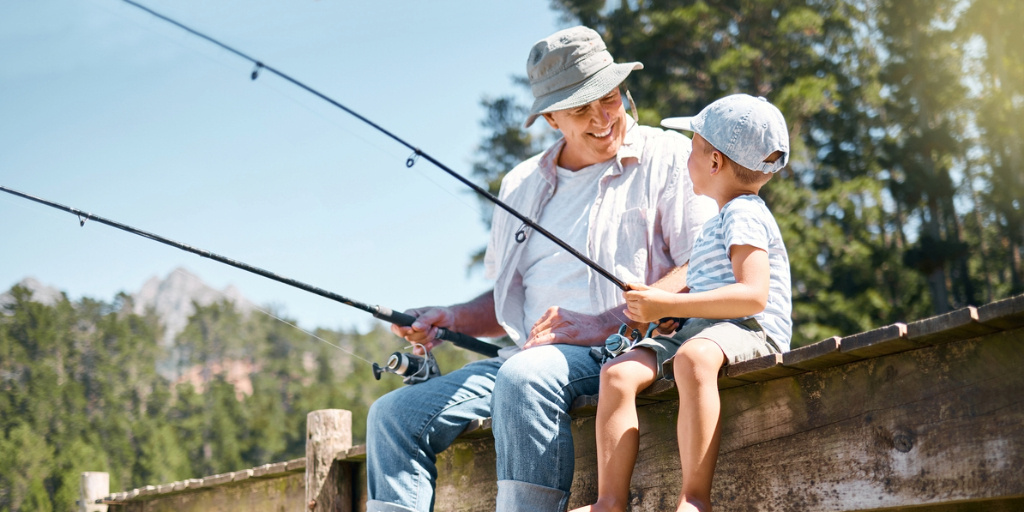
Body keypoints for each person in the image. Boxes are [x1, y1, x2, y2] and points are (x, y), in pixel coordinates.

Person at [364, 26, 717, 512]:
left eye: (609, 98)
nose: (602, 118)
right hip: (526, 359)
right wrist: (453, 318)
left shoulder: (670, 157)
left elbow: (702, 263)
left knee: (525, 375)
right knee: (391, 415)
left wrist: (604, 322)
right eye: (579, 109)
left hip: (626, 349)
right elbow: (509, 295)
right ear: (551, 118)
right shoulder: (520, 183)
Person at [569, 94, 793, 512]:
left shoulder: (745, 213)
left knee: (693, 359)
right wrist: (670, 310)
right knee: (617, 374)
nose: (685, 159)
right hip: (701, 330)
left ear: (714, 163)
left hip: (751, 330)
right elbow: (710, 289)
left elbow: (752, 296)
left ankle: (694, 499)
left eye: (692, 149)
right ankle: (609, 502)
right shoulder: (720, 220)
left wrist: (673, 305)